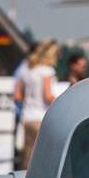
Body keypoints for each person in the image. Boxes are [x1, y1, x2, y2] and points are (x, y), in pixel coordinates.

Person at [13, 39, 59, 169]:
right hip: (41, 118)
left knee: (27, 157)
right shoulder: (47, 71)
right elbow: (48, 96)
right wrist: (62, 102)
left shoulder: (26, 70)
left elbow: (17, 95)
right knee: (43, 159)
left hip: (27, 117)